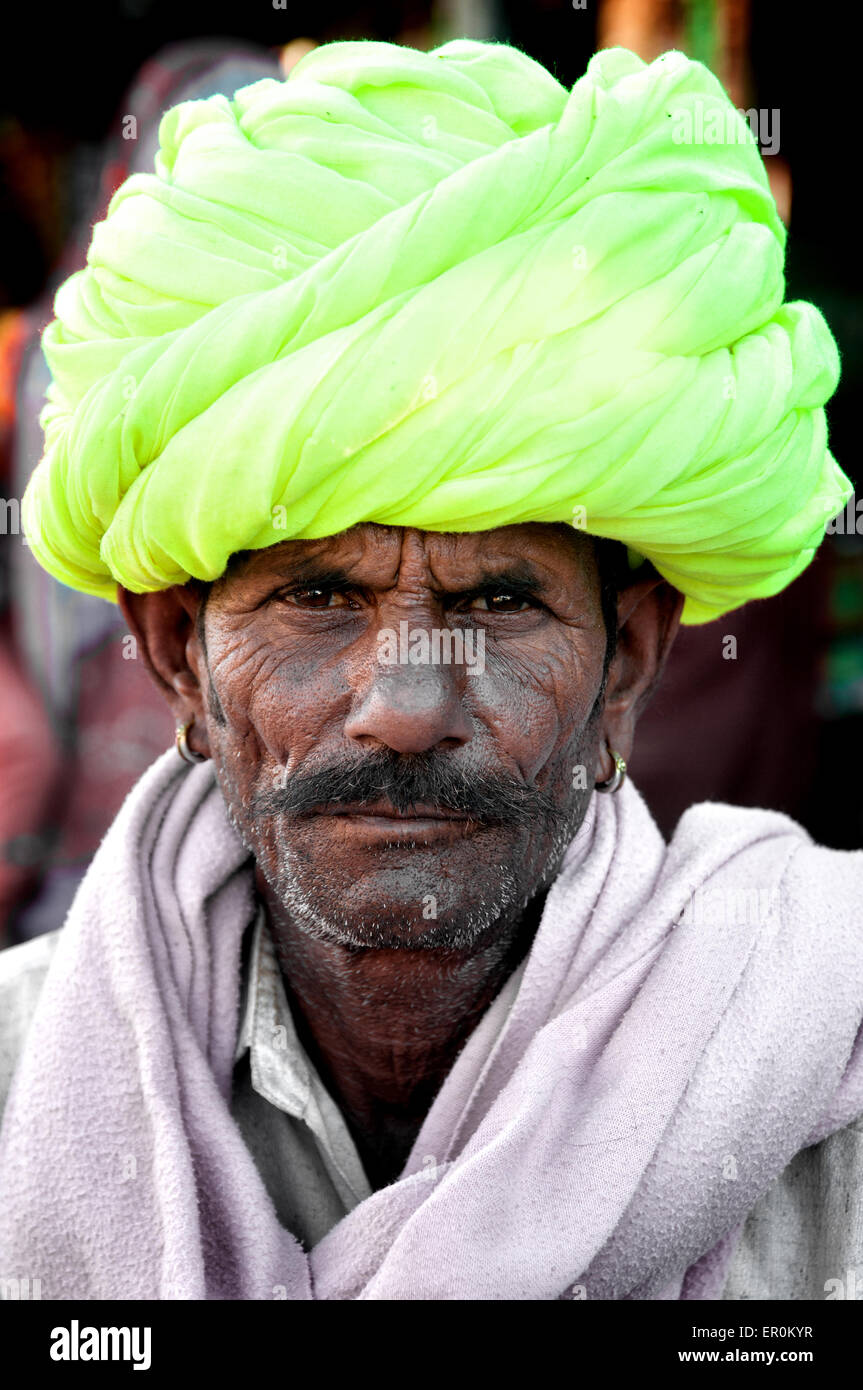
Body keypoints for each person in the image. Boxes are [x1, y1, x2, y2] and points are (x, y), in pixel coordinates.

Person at [0, 38, 860, 1302]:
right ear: (180, 655)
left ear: (624, 660)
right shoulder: (16, 1074)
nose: (406, 707)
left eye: (498, 603)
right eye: (317, 600)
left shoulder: (819, 1080)